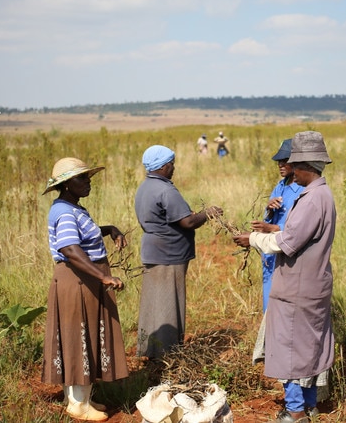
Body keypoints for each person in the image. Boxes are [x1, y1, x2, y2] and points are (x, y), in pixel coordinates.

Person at [233, 131, 336, 423]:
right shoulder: (320, 194)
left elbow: (285, 242)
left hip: (297, 287)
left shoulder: (312, 199)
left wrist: (252, 239)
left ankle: (295, 412)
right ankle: (310, 404)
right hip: (313, 284)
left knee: (288, 347)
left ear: (306, 166)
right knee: (310, 347)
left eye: (293, 164)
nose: (289, 169)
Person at [41, 157, 129, 422]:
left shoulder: (72, 208)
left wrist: (109, 229)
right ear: (66, 185)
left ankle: (77, 399)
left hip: (81, 279)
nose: (88, 182)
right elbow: (70, 249)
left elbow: (81, 238)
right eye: (82, 178)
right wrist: (102, 277)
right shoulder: (65, 212)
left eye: (88, 177)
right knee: (82, 337)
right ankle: (79, 404)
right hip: (78, 281)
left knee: (81, 336)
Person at [134, 145, 223, 359]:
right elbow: (188, 221)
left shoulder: (145, 187)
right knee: (169, 303)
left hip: (153, 251)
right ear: (164, 166)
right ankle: (168, 353)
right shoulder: (166, 190)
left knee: (153, 302)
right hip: (169, 254)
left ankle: (150, 348)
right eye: (171, 164)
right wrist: (208, 213)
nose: (173, 168)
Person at [251, 139, 304, 313]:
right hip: (270, 255)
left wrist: (272, 228)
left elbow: (300, 227)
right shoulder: (280, 186)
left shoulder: (303, 190)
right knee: (269, 304)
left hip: (287, 253)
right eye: (278, 162)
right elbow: (269, 218)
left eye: (285, 161)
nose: (280, 165)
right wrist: (269, 209)